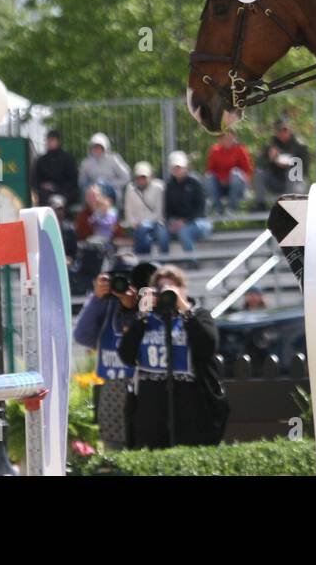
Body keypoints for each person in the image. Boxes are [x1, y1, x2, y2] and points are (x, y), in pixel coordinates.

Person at [116, 265, 227, 449]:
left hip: (190, 406)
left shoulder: (198, 315)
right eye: (162, 287)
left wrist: (183, 307)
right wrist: (142, 314)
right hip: (152, 408)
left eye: (173, 286)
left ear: (184, 289)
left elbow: (208, 346)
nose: (167, 291)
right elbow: (126, 355)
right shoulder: (145, 319)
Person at [73, 258, 155, 451]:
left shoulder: (149, 305)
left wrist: (134, 307)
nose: (124, 285)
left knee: (148, 447)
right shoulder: (105, 306)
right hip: (113, 387)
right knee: (114, 450)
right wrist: (97, 298)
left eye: (129, 279)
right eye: (119, 278)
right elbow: (83, 336)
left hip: (147, 387)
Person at [252, 118, 310, 208]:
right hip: (277, 182)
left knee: (291, 173)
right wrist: (271, 159)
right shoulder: (271, 144)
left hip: (296, 184)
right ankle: (260, 205)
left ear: (290, 129)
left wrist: (289, 164)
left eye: (285, 129)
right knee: (259, 173)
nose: (282, 133)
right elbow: (259, 164)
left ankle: (290, 207)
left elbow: (304, 170)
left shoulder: (300, 145)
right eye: (279, 130)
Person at [165, 151, 212, 253]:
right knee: (162, 233)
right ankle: (163, 262)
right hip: (179, 223)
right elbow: (168, 210)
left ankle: (193, 261)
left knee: (183, 232)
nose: (177, 170)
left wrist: (184, 221)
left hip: (200, 222)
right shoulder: (169, 186)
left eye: (179, 167)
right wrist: (173, 222)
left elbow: (201, 209)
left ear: (186, 167)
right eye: (174, 167)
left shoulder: (196, 183)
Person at [123, 161, 168, 255]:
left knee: (162, 236)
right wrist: (133, 223)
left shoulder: (159, 187)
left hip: (156, 223)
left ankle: (162, 261)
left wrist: (144, 223)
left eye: (144, 177)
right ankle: (143, 261)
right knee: (144, 237)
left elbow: (159, 211)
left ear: (150, 176)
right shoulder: (130, 189)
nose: (141, 180)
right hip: (136, 225)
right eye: (139, 177)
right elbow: (128, 210)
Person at [205, 131, 252, 213]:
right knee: (209, 177)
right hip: (221, 186)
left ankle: (232, 207)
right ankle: (218, 208)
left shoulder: (240, 149)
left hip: (238, 187)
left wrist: (228, 179)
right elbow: (210, 171)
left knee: (235, 173)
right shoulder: (215, 150)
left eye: (231, 138)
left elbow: (247, 171)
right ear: (220, 139)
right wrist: (222, 179)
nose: (228, 140)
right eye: (225, 138)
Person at [32, 129, 80, 207]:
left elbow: (72, 181)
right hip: (45, 194)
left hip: (64, 192)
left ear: (58, 141)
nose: (49, 142)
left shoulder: (68, 159)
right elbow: (35, 180)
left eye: (52, 140)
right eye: (48, 140)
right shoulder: (41, 160)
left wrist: (56, 188)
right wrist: (43, 185)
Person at [78, 133, 130, 204]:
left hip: (112, 193)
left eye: (99, 147)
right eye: (94, 147)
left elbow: (126, 177)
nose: (96, 149)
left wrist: (110, 184)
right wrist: (92, 186)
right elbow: (82, 182)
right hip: (94, 194)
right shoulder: (86, 163)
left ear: (105, 147)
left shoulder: (114, 160)